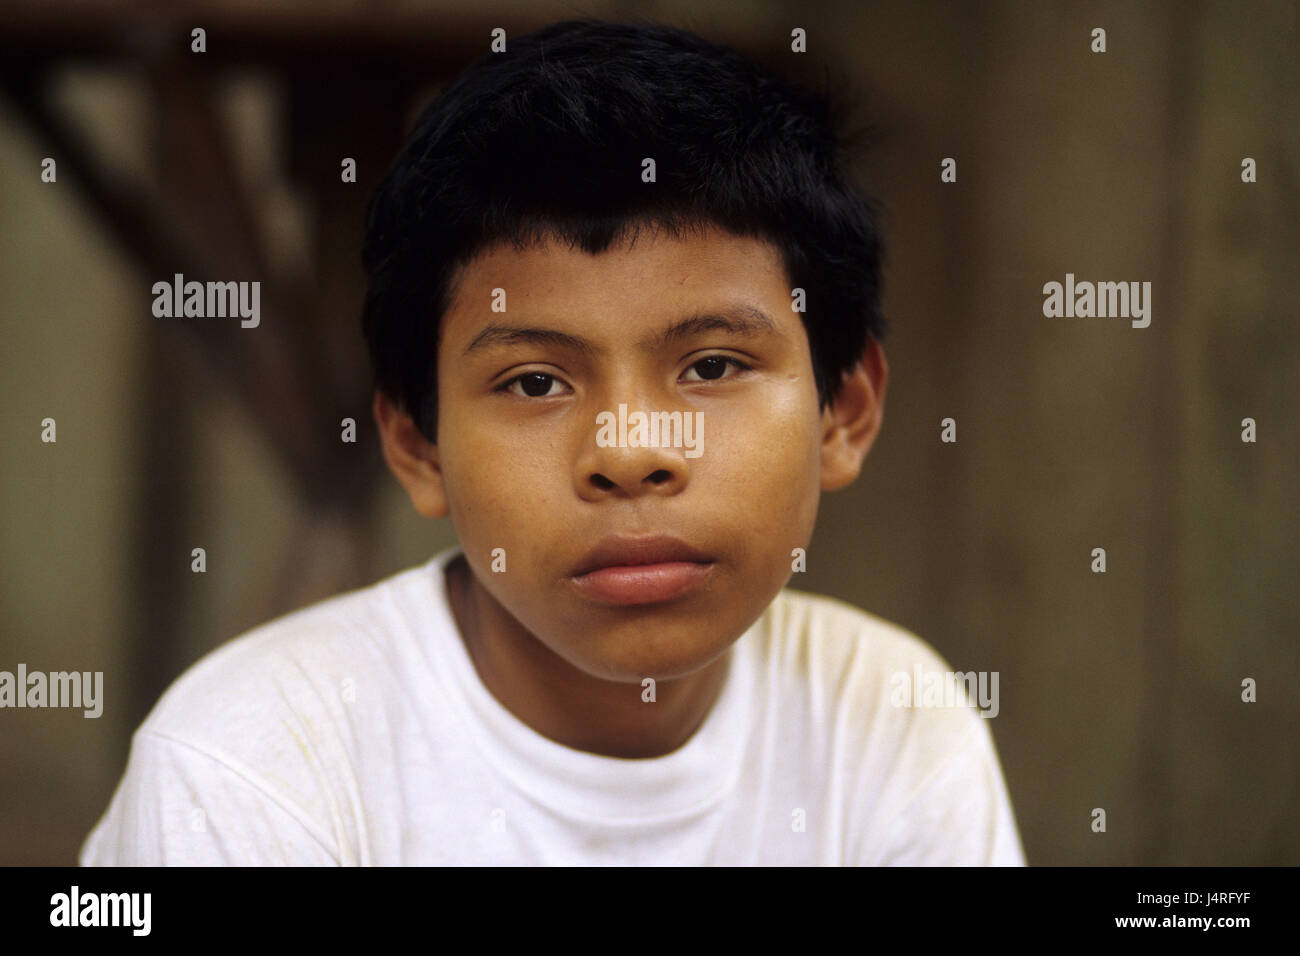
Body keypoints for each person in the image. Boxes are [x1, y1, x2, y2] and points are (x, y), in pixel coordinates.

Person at [80, 17, 1025, 865]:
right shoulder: (251, 767)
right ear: (418, 445)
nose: (630, 450)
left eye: (712, 367)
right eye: (535, 382)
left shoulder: (886, 719)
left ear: (845, 411)